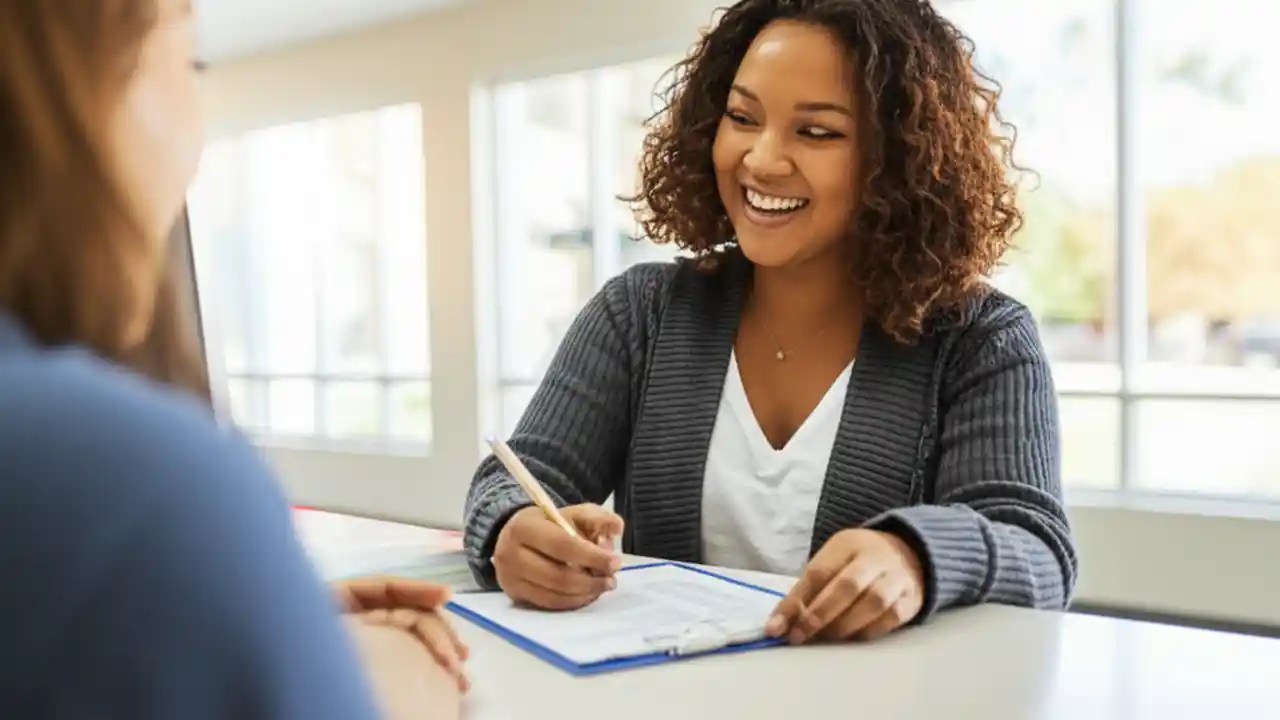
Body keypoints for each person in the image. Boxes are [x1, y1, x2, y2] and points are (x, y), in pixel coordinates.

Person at [464, 0, 1077, 644]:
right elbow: (517, 479)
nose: (761, 159)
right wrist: (512, 530)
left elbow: (1036, 550)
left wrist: (914, 556)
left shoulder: (979, 339)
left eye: (816, 132)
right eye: (742, 118)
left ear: (896, 160)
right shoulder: (639, 313)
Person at [0, 1, 465, 717]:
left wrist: (238, 618)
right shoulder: (140, 479)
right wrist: (396, 680)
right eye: (189, 62)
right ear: (70, 90)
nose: (199, 143)